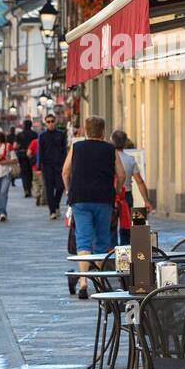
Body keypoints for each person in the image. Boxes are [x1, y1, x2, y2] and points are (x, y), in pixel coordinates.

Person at [62, 116, 124, 299]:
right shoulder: (110, 149)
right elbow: (121, 174)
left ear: (86, 131)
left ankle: (83, 282)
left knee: (83, 239)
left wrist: (69, 190)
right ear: (103, 131)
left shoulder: (77, 147)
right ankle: (99, 281)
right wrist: (116, 190)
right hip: (104, 198)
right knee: (102, 240)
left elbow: (65, 171)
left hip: (80, 198)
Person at [111, 130, 151, 246]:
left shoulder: (108, 157)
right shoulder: (130, 160)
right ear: (125, 143)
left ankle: (111, 254)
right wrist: (146, 201)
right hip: (127, 196)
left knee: (111, 227)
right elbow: (139, 182)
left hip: (112, 196)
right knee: (126, 227)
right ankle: (125, 253)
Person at [37, 112, 68, 219]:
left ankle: (56, 203)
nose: (50, 123)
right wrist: (39, 166)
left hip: (59, 164)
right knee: (49, 188)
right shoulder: (42, 136)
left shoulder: (61, 134)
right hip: (47, 165)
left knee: (60, 186)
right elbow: (40, 151)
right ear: (45, 123)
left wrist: (66, 164)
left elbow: (64, 150)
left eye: (52, 121)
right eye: (48, 122)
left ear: (55, 122)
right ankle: (52, 211)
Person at [15, 118, 38, 198]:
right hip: (32, 155)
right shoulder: (34, 134)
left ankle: (26, 190)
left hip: (22, 155)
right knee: (31, 172)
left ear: (24, 125)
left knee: (24, 173)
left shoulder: (19, 134)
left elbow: (15, 146)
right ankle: (30, 188)